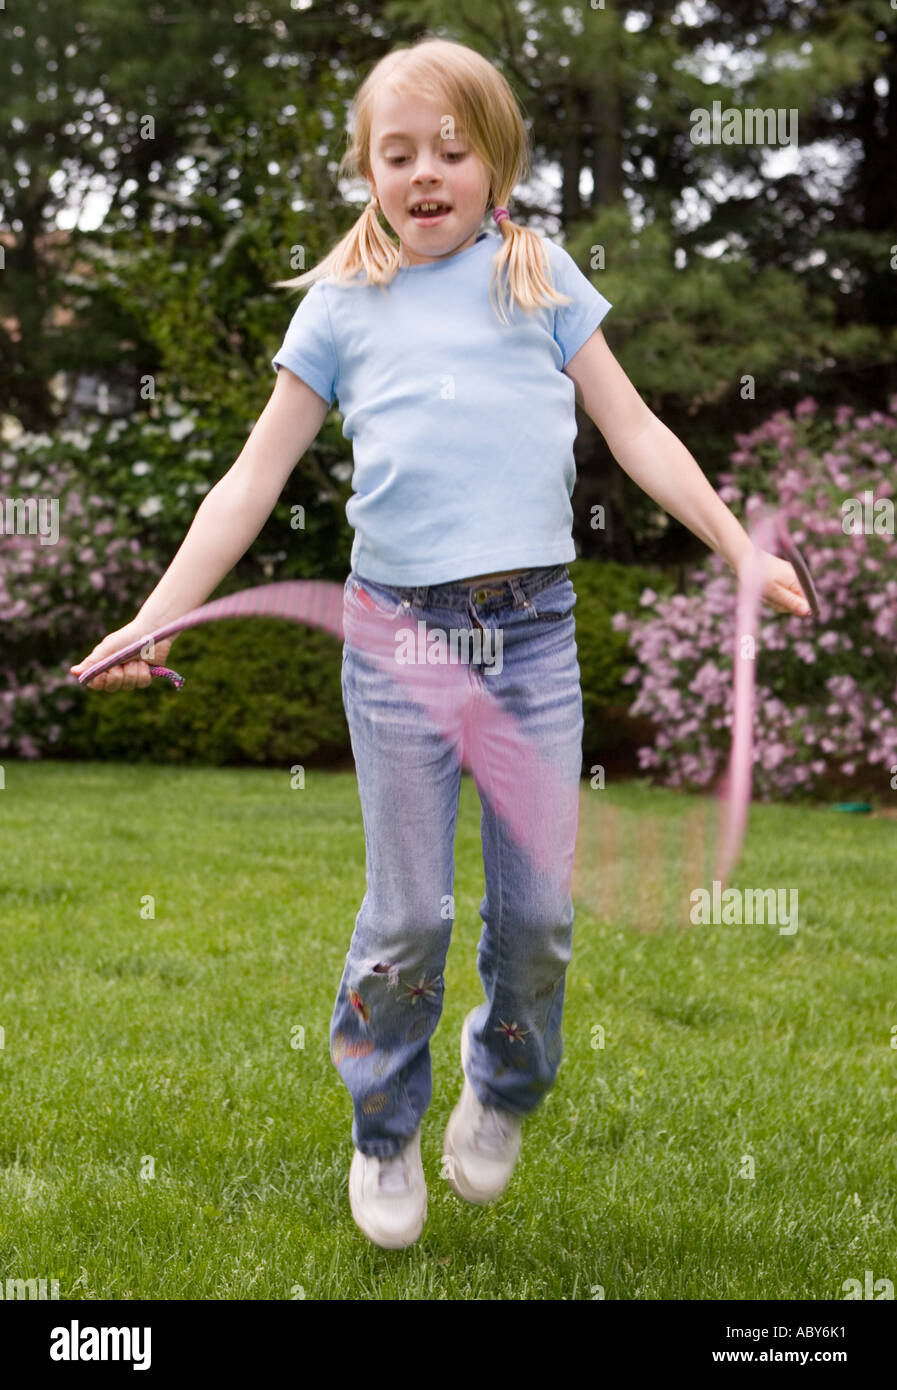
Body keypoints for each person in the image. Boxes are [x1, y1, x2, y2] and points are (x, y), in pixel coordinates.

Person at [70, 35, 812, 1252]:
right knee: (408, 915)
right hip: (400, 639)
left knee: (537, 923)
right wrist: (155, 612)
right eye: (397, 153)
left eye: (450, 151)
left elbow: (635, 429)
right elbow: (253, 479)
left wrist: (739, 549)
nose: (425, 173)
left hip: (529, 636)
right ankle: (382, 1127)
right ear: (366, 168)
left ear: (495, 158)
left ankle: (503, 1088)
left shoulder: (539, 275)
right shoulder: (341, 308)